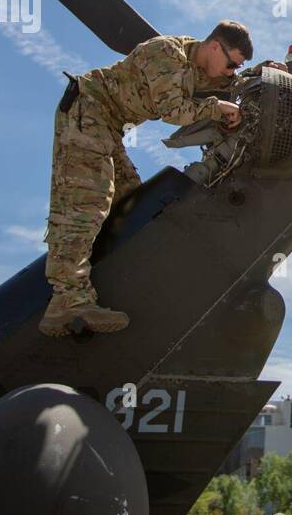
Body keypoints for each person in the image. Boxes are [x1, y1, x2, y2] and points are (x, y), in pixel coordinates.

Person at [39, 20, 271, 336]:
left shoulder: (199, 64)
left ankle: (87, 280)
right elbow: (173, 109)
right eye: (231, 64)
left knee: (131, 205)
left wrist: (259, 72)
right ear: (215, 46)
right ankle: (67, 299)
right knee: (85, 202)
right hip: (88, 111)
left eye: (236, 68)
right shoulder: (167, 53)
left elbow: (225, 85)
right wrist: (217, 109)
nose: (231, 72)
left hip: (107, 125)